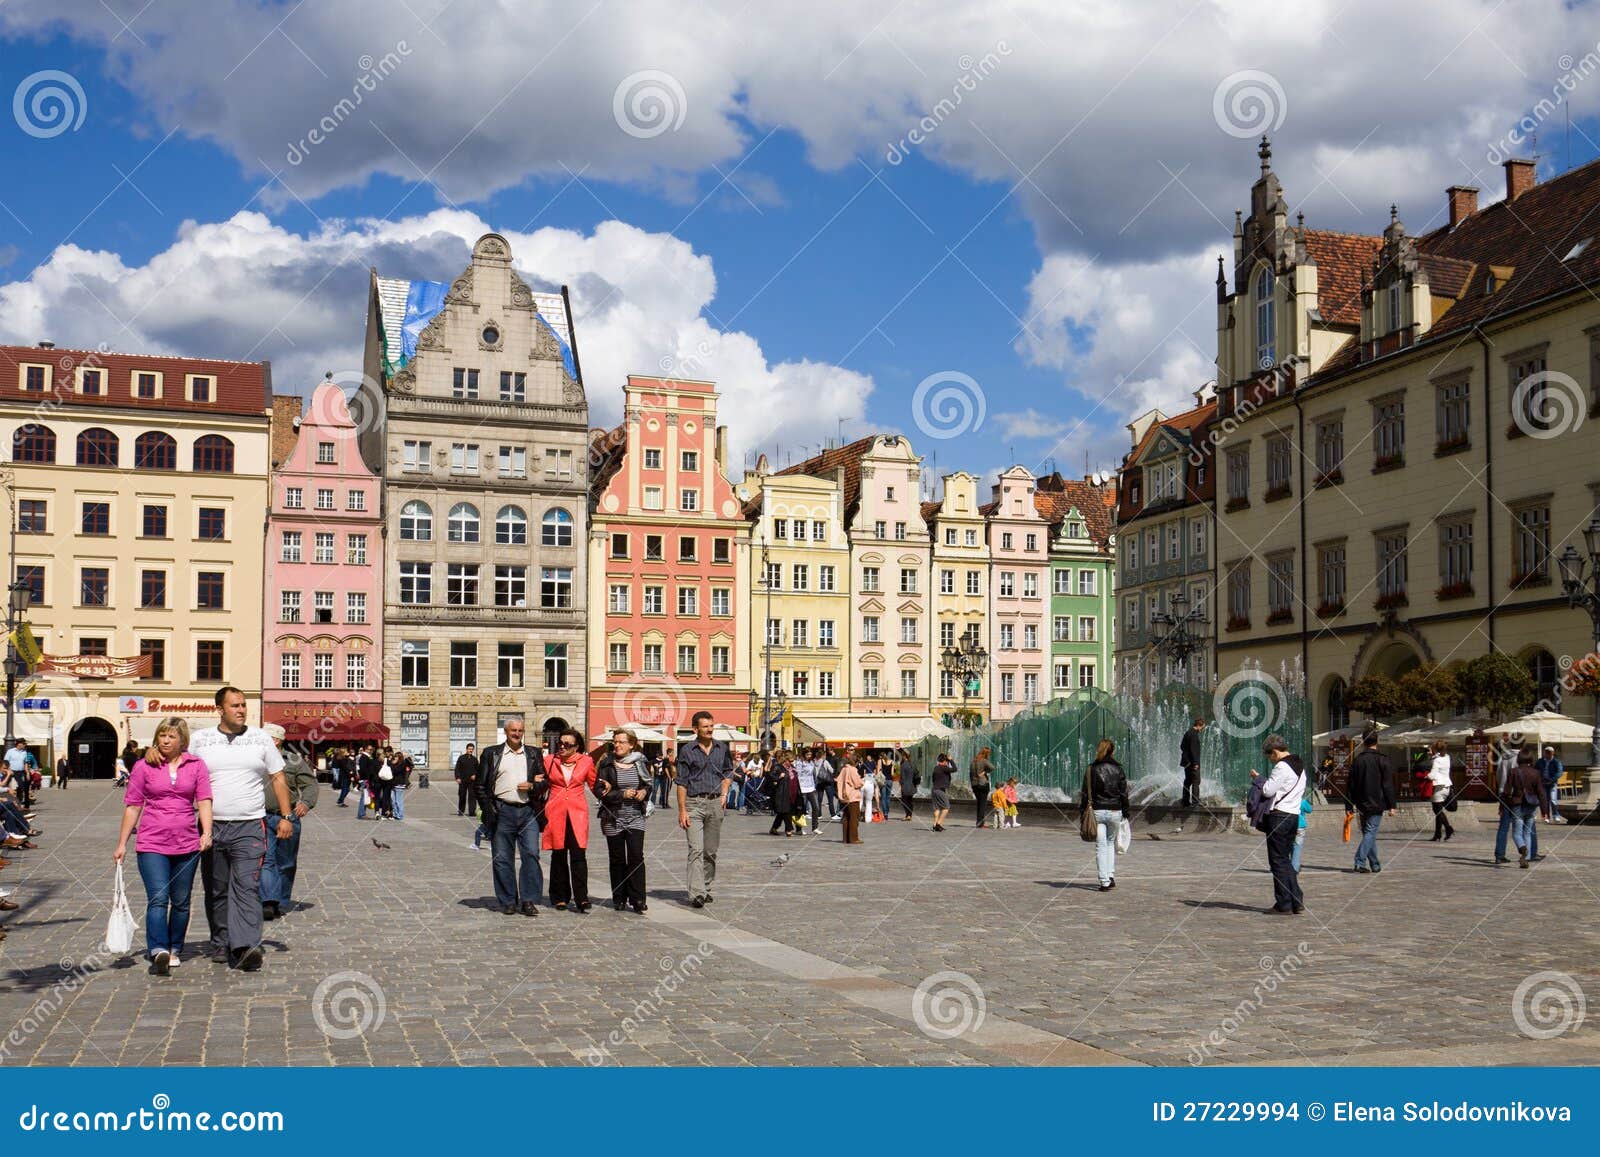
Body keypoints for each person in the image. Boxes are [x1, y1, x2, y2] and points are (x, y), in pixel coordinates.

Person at [190, 686, 291, 971]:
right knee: (217, 888)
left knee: (247, 886)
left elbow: (278, 776)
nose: (242, 710)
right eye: (235, 705)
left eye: (244, 705)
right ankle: (221, 942)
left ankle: (245, 946)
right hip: (211, 826)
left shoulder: (260, 739)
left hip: (250, 824)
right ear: (219, 709)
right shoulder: (200, 739)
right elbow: (179, 766)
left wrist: (286, 816)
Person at [113, 717, 213, 975]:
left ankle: (175, 948)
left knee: (181, 901)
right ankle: (158, 949)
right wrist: (122, 843)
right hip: (152, 842)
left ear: (183, 740)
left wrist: (207, 833)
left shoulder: (196, 765)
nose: (166, 741)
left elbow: (203, 801)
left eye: (171, 736)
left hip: (187, 843)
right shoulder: (144, 766)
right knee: (158, 898)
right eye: (162, 736)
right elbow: (134, 805)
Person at [476, 718, 547, 916]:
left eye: (520, 730)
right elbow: (480, 786)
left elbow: (545, 782)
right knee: (502, 859)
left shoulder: (533, 753)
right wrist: (489, 810)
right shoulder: (492, 753)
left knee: (531, 854)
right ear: (506, 732)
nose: (517, 733)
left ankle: (528, 900)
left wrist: (533, 786)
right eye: (513, 730)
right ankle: (508, 900)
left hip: (528, 811)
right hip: (502, 811)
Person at [676, 710, 734, 909]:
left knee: (710, 851)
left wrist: (725, 793)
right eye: (705, 726)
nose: (710, 730)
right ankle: (696, 893)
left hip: (715, 802)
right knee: (696, 850)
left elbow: (727, 772)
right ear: (695, 729)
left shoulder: (722, 748)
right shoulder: (687, 751)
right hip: (693, 803)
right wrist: (682, 810)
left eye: (711, 726)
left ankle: (706, 887)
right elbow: (681, 782)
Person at [260, 727, 318, 922]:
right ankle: (268, 901)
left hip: (289, 817)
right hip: (261, 817)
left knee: (286, 862)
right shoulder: (255, 758)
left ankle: (281, 900)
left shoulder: (293, 760)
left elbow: (309, 784)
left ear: (276, 741)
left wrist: (306, 803)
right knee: (266, 860)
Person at [596, 729, 650, 913]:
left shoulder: (640, 762)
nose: (617, 745)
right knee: (617, 858)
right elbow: (600, 791)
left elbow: (647, 784)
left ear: (631, 744)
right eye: (615, 742)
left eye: (621, 742)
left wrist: (644, 792)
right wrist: (621, 794)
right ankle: (619, 897)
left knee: (636, 857)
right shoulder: (606, 763)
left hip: (635, 816)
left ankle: (638, 899)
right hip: (613, 818)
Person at [544, 728, 597, 912]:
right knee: (558, 854)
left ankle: (582, 897)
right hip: (555, 811)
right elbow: (541, 781)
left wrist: (605, 788)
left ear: (576, 747)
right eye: (560, 743)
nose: (562, 747)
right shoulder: (549, 760)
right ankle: (560, 896)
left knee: (578, 856)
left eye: (567, 744)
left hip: (577, 813)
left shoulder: (586, 761)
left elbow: (594, 784)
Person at [1252, 734, 1305, 915]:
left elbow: (1267, 791)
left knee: (1277, 861)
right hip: (1293, 816)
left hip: (1279, 816)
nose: (1270, 760)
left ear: (1275, 752)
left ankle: (1284, 904)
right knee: (1285, 860)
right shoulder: (1300, 766)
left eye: (1269, 756)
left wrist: (1259, 778)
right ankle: (1296, 900)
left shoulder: (1282, 766)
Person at [1343, 730, 1396, 873]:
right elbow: (1387, 784)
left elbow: (1351, 784)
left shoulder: (1358, 760)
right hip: (1377, 802)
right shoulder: (1383, 759)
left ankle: (1375, 864)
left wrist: (1349, 804)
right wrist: (1392, 805)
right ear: (1377, 742)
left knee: (1368, 832)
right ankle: (1359, 862)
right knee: (1371, 832)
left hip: (1361, 802)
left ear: (1363, 741)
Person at [1083, 738, 1130, 891]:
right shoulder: (1118, 769)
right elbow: (1124, 793)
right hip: (1115, 811)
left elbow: (1085, 793)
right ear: (1112, 751)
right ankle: (1110, 875)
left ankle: (1104, 881)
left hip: (1097, 810)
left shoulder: (1091, 768)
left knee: (1101, 846)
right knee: (1110, 844)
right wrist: (1126, 811)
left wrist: (1082, 812)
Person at [1504, 747, 1544, 869]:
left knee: (1517, 833)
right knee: (1527, 831)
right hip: (1531, 805)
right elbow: (1541, 792)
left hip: (1517, 804)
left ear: (1518, 759)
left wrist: (1503, 804)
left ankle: (1522, 848)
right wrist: (1545, 810)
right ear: (1531, 759)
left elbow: (1507, 790)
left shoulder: (1513, 771)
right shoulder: (1535, 773)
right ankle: (1526, 859)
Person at [1427, 740, 1455, 842]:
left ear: (1435, 749)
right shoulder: (1447, 757)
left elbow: (1433, 774)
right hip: (1447, 785)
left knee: (1437, 810)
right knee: (1438, 810)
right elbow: (1440, 763)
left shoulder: (1436, 760)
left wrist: (1427, 776)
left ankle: (1448, 828)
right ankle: (1437, 834)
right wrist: (1432, 756)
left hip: (1438, 787)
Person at [768, 752, 800, 836]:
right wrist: (779, 777)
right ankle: (789, 830)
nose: (792, 762)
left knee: (782, 813)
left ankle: (774, 828)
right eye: (790, 761)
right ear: (785, 760)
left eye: (793, 761)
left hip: (793, 792)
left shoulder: (792, 768)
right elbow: (770, 776)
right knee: (786, 811)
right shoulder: (778, 767)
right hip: (782, 793)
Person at [837, 755, 864, 844]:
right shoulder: (852, 769)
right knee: (854, 818)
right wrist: (862, 781)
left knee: (846, 817)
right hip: (853, 797)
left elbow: (839, 781)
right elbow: (857, 783)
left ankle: (846, 838)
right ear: (855, 762)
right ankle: (854, 838)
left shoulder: (843, 769)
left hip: (844, 797)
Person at [1179, 718, 1205, 807]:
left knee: (1187, 781)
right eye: (1202, 728)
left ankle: (1185, 801)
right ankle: (1195, 802)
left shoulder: (1187, 733)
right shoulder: (1194, 735)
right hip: (1192, 763)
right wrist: (1195, 763)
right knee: (1196, 781)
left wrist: (1186, 756)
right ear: (1199, 725)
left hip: (1186, 762)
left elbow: (1182, 746)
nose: (1202, 730)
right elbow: (1194, 750)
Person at [1536, 746, 1566, 823]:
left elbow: (1559, 772)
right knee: (1544, 800)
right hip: (1543, 782)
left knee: (1553, 800)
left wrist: (1552, 779)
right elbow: (1535, 770)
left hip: (1552, 783)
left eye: (1549, 752)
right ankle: (1546, 816)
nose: (1547, 754)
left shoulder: (1556, 762)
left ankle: (1555, 815)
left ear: (1553, 753)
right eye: (1546, 752)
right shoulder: (1540, 761)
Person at [795, 748, 821, 833]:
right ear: (803, 754)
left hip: (811, 787)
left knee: (816, 807)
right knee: (801, 808)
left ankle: (815, 827)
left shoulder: (811, 762)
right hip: (802, 787)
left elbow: (814, 772)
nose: (809, 756)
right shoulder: (799, 762)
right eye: (807, 755)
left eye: (810, 754)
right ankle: (799, 828)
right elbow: (797, 774)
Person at [4, 741, 33, 809]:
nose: (25, 745)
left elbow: (25, 763)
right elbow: (5, 762)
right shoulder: (10, 751)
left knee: (22, 787)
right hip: (12, 772)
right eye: (24, 744)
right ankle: (10, 803)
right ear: (19, 744)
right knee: (8, 788)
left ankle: (20, 804)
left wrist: (27, 773)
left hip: (21, 772)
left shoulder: (24, 752)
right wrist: (9, 770)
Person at [969, 747, 993, 828]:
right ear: (986, 754)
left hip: (974, 785)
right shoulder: (984, 761)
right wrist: (985, 772)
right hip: (983, 785)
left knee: (979, 804)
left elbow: (970, 774)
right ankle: (980, 823)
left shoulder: (972, 762)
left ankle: (978, 822)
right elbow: (992, 767)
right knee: (982, 805)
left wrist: (972, 784)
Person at [929, 753, 954, 831]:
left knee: (937, 808)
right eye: (946, 761)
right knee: (946, 807)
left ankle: (934, 824)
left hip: (934, 789)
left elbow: (933, 779)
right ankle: (939, 824)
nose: (947, 762)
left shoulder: (936, 768)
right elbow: (955, 769)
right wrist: (951, 760)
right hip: (940, 790)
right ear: (944, 761)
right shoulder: (943, 767)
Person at [454, 743, 480, 817]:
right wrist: (457, 777)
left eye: (472, 749)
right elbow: (457, 769)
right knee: (462, 796)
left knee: (472, 797)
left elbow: (478, 770)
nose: (470, 750)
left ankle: (472, 812)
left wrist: (475, 775)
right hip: (462, 781)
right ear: (466, 749)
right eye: (469, 749)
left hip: (472, 782)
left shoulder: (475, 759)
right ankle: (461, 811)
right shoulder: (461, 758)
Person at [815, 747, 838, 818]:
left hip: (819, 782)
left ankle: (819, 815)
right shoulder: (825, 762)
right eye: (824, 755)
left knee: (819, 800)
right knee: (830, 799)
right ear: (823, 755)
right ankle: (833, 814)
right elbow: (831, 770)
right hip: (827, 782)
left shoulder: (814, 761)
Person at [898, 747, 917, 820]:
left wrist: (901, 785)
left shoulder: (903, 765)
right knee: (910, 800)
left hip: (905, 785)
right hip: (912, 785)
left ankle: (908, 815)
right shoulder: (912, 764)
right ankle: (909, 815)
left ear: (904, 756)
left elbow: (902, 777)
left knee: (904, 801)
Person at [860, 756, 879, 824]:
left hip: (866, 777)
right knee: (869, 801)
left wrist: (865, 777)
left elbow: (865, 772)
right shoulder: (872, 762)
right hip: (870, 776)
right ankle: (868, 819)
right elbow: (874, 770)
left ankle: (856, 817)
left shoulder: (866, 763)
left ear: (870, 758)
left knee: (861, 800)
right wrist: (874, 776)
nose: (867, 758)